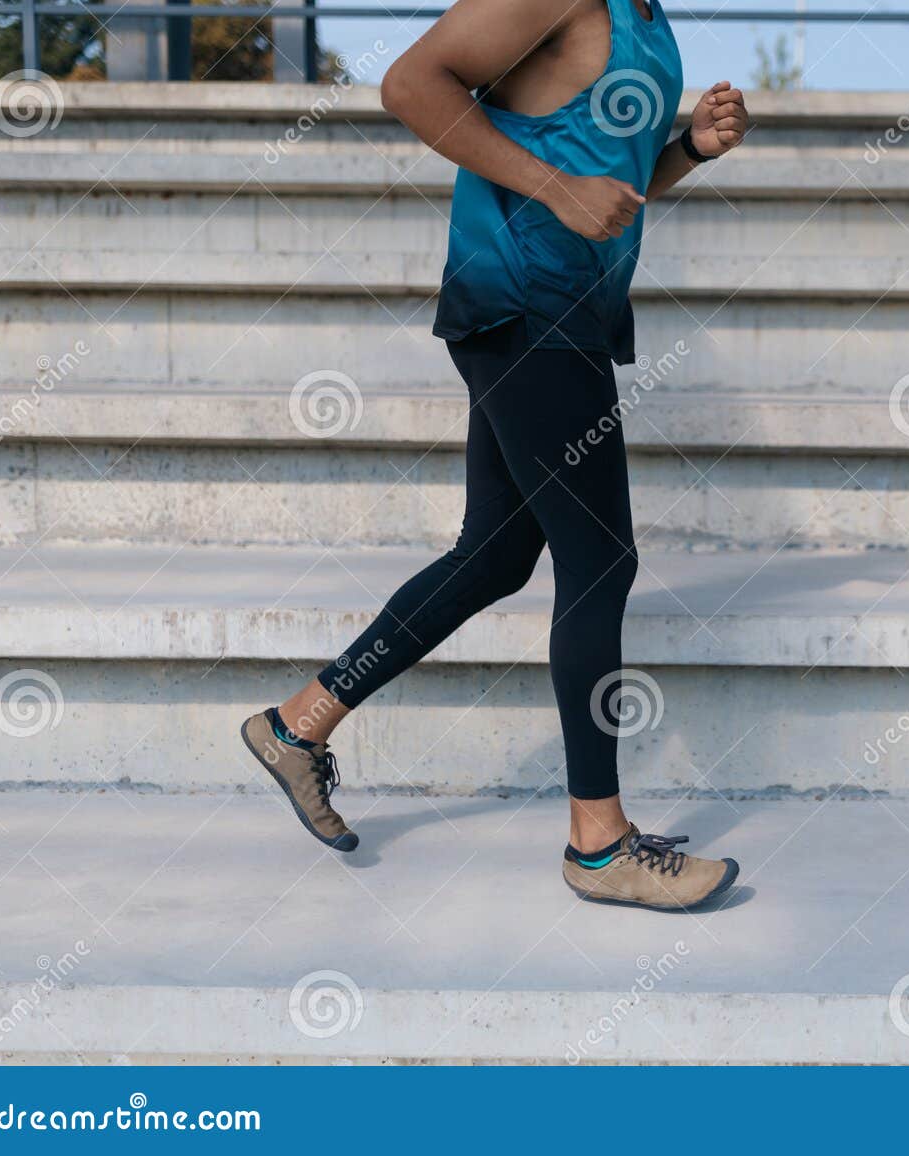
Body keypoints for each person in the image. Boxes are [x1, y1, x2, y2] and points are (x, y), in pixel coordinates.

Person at [239, 0, 749, 910]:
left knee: (499, 554)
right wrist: (557, 190)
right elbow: (410, 85)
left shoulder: (645, 16)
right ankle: (600, 844)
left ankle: (298, 724)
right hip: (527, 307)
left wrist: (688, 153)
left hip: (568, 313)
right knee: (600, 562)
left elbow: (605, 191)